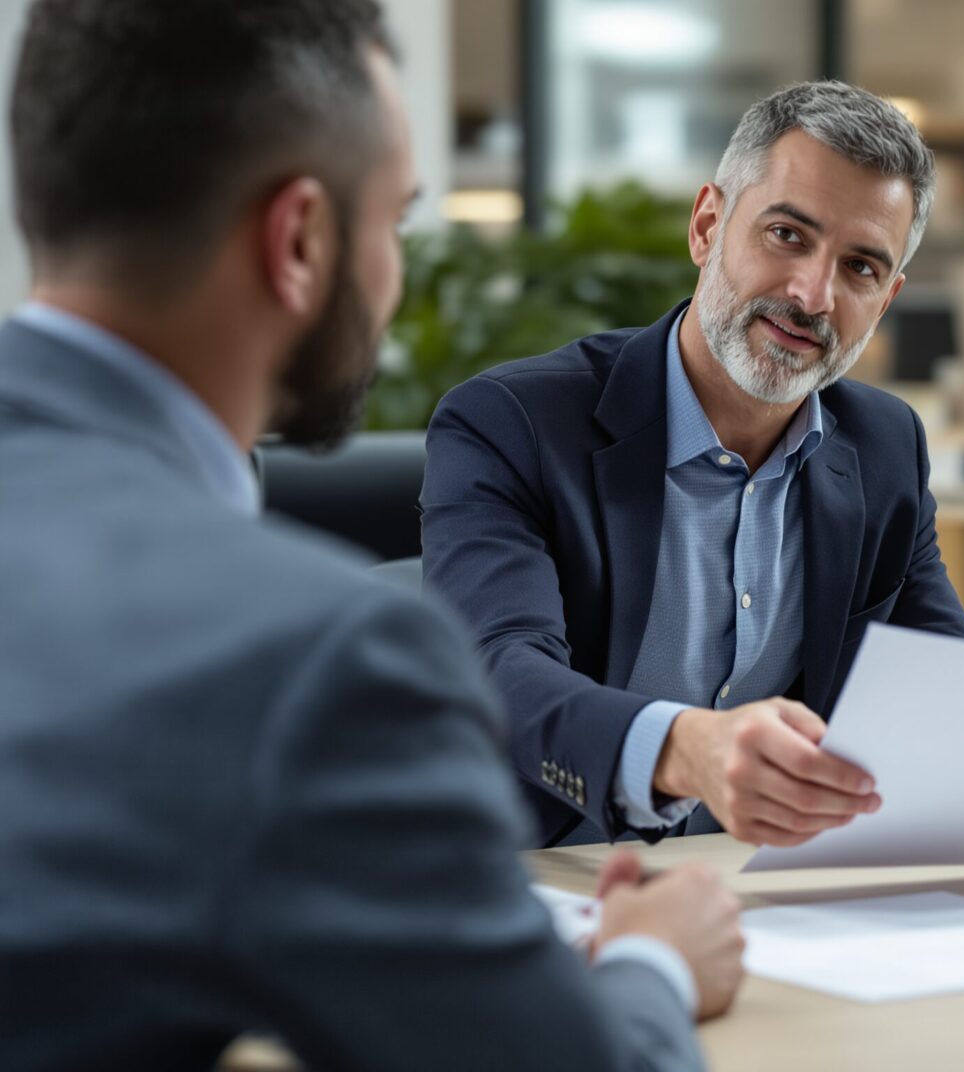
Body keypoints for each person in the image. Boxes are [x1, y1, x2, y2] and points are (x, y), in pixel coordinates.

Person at [0, 2, 741, 1068]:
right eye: (394, 220)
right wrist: (654, 962)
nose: (395, 271)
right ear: (299, 241)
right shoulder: (311, 660)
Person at [421, 81, 964, 870]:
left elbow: (950, 685)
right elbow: (499, 674)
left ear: (888, 299)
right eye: (786, 234)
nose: (813, 294)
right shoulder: (513, 424)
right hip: (537, 884)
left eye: (862, 267)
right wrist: (684, 748)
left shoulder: (883, 446)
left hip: (763, 899)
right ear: (708, 225)